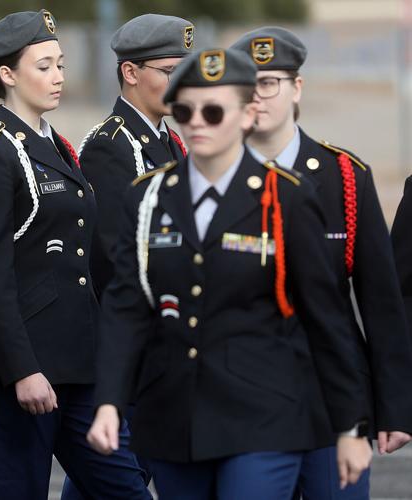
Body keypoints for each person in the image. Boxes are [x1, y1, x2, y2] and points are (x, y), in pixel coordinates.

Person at [87, 48, 373, 499]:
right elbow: (127, 306)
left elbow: (327, 320)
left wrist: (351, 426)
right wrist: (109, 402)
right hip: (175, 419)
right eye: (184, 110)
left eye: (213, 110)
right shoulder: (149, 197)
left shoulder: (287, 199)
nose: (196, 122)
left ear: (247, 114)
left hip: (264, 417)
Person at [0, 10, 150, 500]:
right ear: (8, 74)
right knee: (13, 489)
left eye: (61, 64)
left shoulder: (54, 144)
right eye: (44, 66)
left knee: (123, 485)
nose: (59, 76)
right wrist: (22, 369)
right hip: (25, 367)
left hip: (79, 362)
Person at [230, 26, 412, 499]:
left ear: (297, 88)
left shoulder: (345, 177)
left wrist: (394, 408)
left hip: (335, 401)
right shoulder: (212, 178)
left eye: (270, 83)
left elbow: (381, 301)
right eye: (248, 84)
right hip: (243, 401)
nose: (259, 96)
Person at [80, 13, 193, 295]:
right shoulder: (110, 145)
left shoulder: (171, 140)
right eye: (169, 72)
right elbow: (114, 256)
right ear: (131, 73)